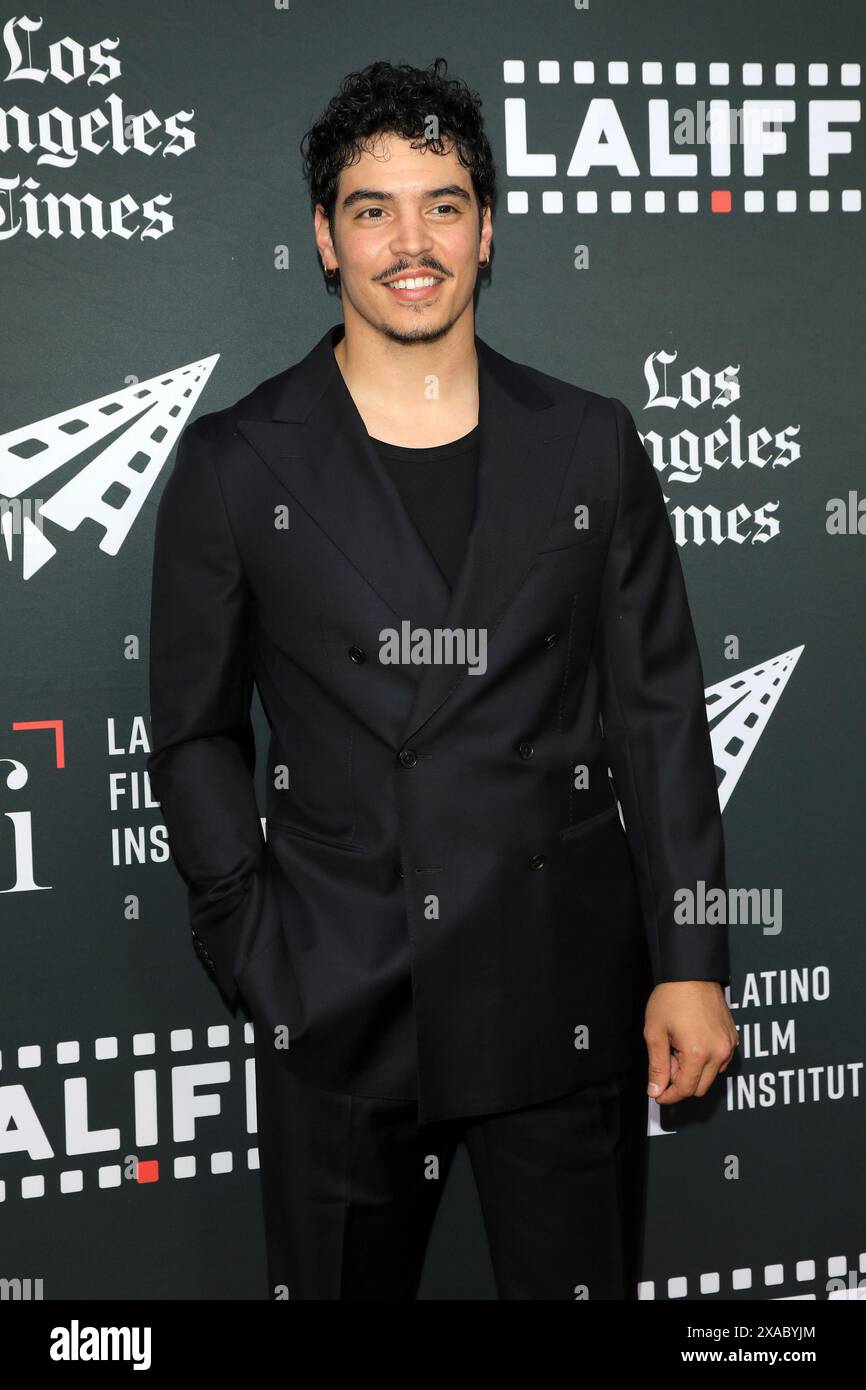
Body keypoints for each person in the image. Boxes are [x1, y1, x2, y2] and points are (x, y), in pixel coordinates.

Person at [147, 57, 738, 1300]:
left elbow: (657, 716)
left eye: (443, 204)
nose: (409, 242)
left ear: (487, 230)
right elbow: (195, 729)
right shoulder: (235, 461)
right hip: (341, 1000)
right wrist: (248, 937)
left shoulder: (586, 439)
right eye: (373, 209)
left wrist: (687, 958)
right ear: (324, 237)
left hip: (559, 989)